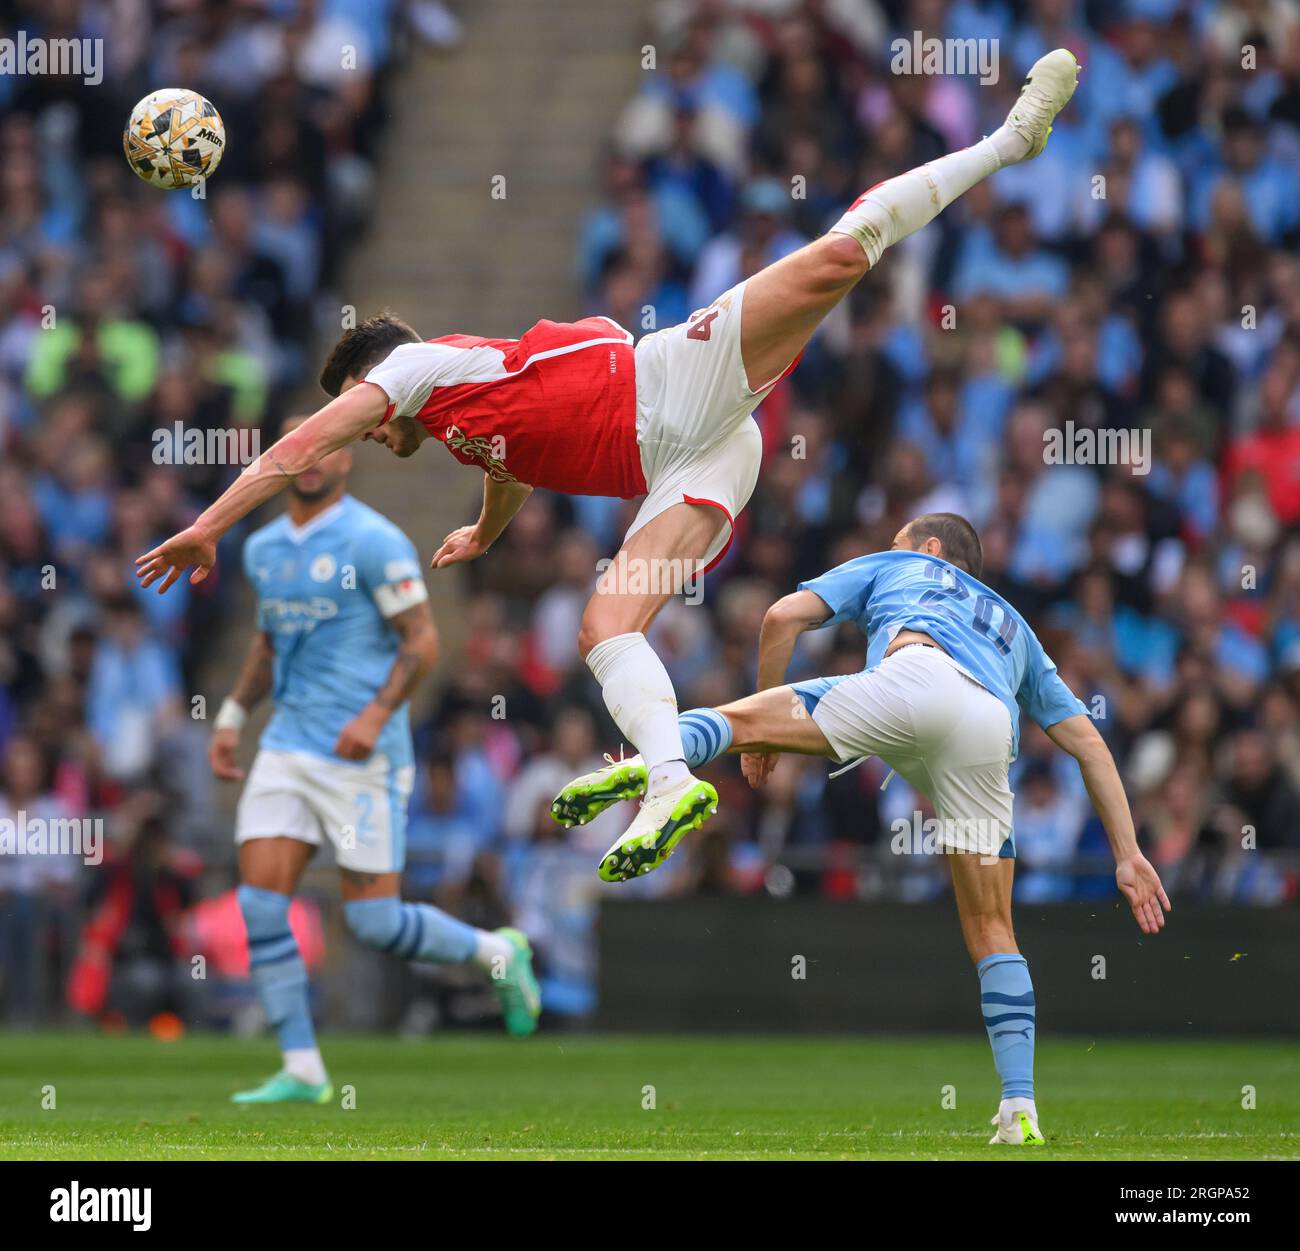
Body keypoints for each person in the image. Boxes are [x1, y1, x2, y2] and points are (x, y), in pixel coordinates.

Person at [137, 52, 1083, 884]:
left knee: (838, 257)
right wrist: (487, 530)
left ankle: (1008, 141)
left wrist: (207, 526)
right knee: (604, 626)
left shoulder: (413, 371)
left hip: (673, 384)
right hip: (694, 457)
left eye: (359, 403)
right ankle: (668, 782)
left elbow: (302, 445)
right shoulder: (459, 419)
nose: (369, 432)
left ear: (374, 372)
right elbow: (515, 460)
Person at [552, 512, 1171, 1145]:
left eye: (897, 540)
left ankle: (645, 767)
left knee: (735, 722)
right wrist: (1127, 854)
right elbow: (1090, 746)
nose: (889, 547)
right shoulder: (1017, 627)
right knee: (993, 929)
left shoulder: (902, 565)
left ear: (931, 549)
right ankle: (1020, 1111)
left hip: (912, 680)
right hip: (988, 727)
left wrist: (766, 742)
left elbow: (780, 618)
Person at [211, 417, 540, 1105]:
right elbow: (268, 643)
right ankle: (303, 1067)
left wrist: (373, 715)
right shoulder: (264, 548)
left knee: (374, 922)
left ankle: (497, 951)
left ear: (347, 460)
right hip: (287, 746)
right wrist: (235, 715)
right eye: (297, 447)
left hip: (364, 758)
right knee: (261, 903)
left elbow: (422, 643)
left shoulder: (373, 540)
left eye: (326, 445)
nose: (310, 458)